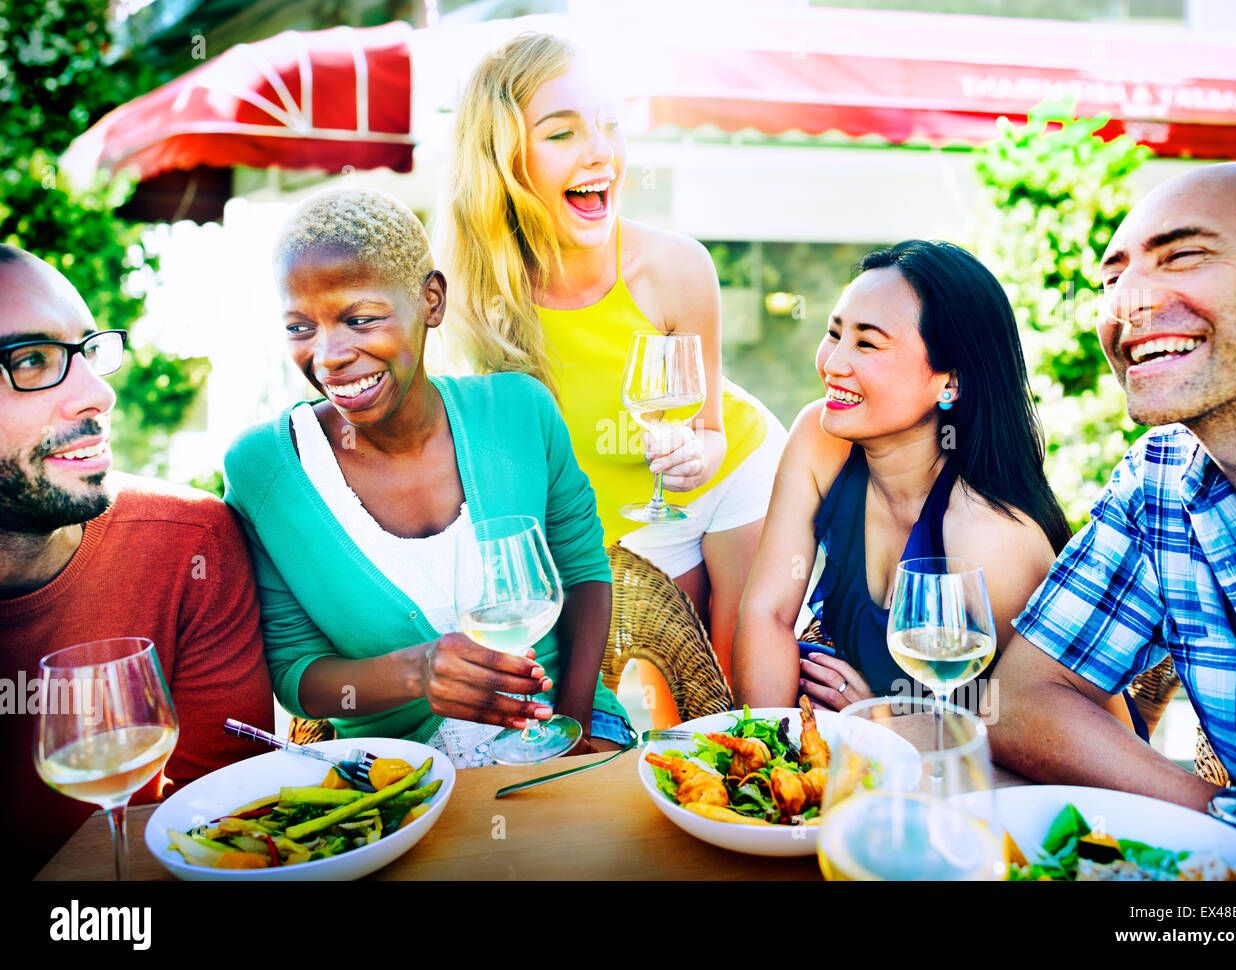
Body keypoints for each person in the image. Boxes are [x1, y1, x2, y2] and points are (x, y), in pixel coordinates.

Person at [222, 187, 632, 768]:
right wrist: (415, 673)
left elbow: (585, 571)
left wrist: (571, 726)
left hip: (570, 721)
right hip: (403, 767)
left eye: (359, 319)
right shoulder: (265, 472)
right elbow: (295, 674)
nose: (329, 354)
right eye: (300, 328)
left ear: (430, 301)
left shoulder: (519, 411)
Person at [436, 33, 786, 707]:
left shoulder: (676, 268)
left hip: (722, 479)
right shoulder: (472, 298)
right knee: (643, 707)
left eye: (609, 126)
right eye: (562, 133)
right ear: (503, 160)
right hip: (606, 521)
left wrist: (695, 452)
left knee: (737, 688)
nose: (601, 151)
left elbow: (711, 429)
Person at [990, 162, 1236, 813]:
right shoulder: (1158, 476)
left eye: (1184, 256)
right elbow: (1018, 702)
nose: (1123, 304)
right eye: (1112, 278)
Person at [734, 240, 1102, 720]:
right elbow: (767, 614)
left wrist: (883, 722)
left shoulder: (987, 535)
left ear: (949, 382)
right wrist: (769, 758)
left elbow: (1025, 721)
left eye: (867, 343)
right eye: (834, 333)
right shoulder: (820, 438)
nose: (832, 363)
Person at [0, 245, 274, 878]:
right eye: (33, 360)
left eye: (89, 350)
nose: (98, 394)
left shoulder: (186, 542)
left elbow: (223, 828)